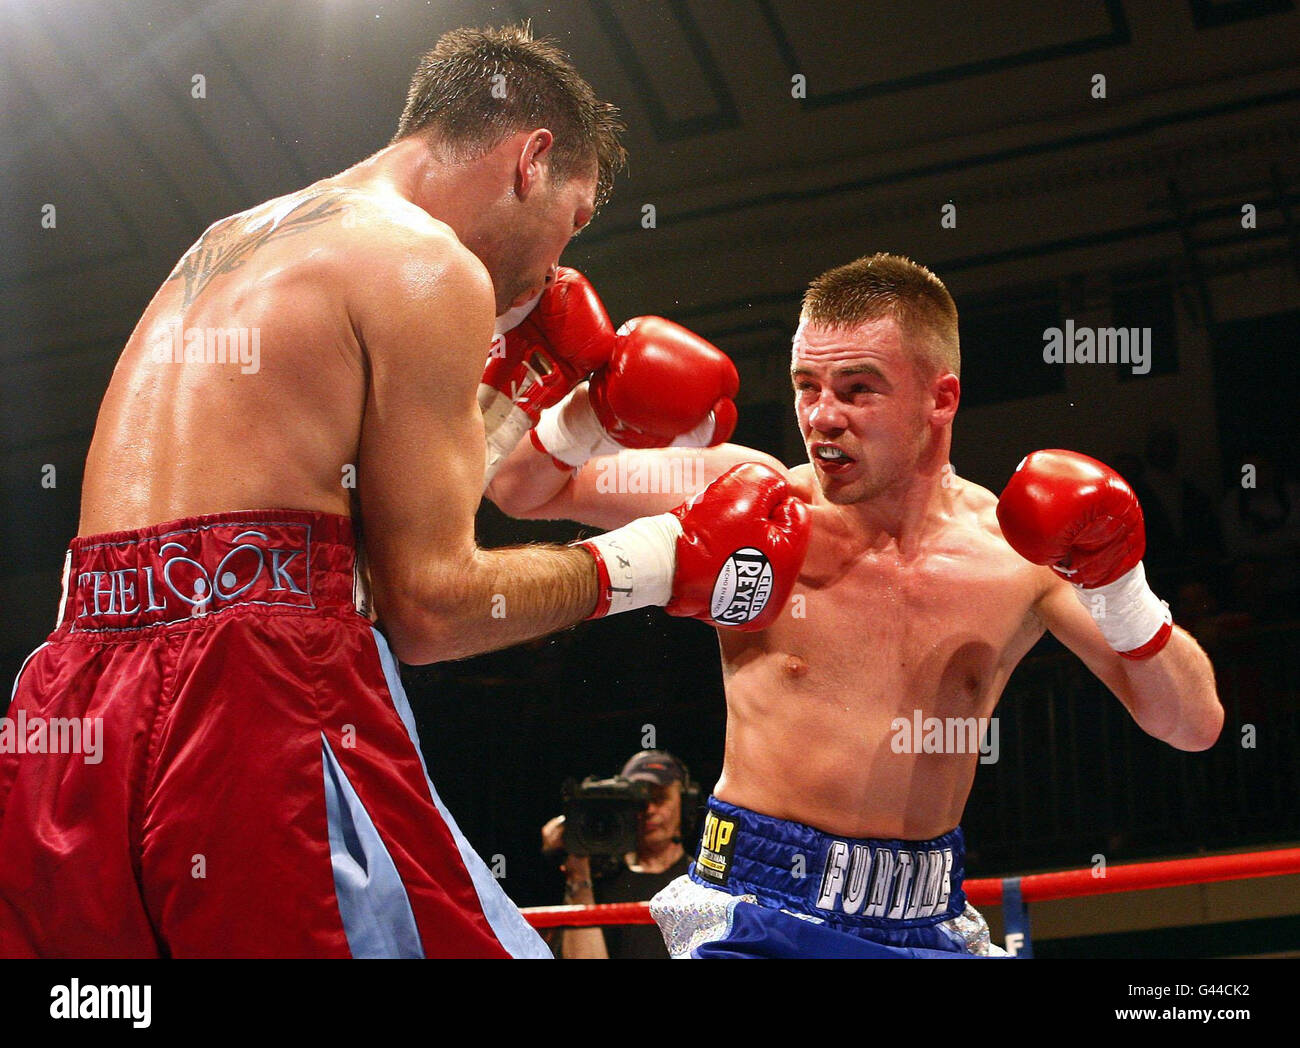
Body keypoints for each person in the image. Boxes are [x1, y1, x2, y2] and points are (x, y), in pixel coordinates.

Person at [0, 25, 810, 959]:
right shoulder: (431, 265)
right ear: (532, 158)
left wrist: (530, 404)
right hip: (248, 707)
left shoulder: (226, 241)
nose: (556, 266)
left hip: (68, 706)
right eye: (574, 219)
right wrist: (663, 560)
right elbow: (428, 605)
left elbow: (294, 517)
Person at [488, 252, 1224, 958]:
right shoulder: (746, 493)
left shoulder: (1018, 557)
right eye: (808, 385)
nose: (822, 416)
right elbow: (523, 490)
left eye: (858, 388)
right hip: (755, 914)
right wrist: (584, 414)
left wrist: (1120, 585)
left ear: (941, 398)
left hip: (929, 918)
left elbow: (1190, 724)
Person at [541, 751, 693, 959]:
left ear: (685, 805)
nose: (648, 810)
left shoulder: (701, 884)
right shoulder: (595, 884)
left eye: (659, 798)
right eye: (638, 802)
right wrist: (578, 877)